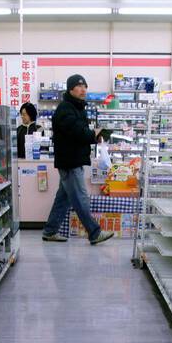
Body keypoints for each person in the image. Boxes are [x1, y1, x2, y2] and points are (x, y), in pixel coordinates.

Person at [42, 74, 114, 245]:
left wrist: (93, 135)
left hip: (72, 159)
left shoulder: (76, 107)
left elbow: (78, 133)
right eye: (79, 86)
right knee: (81, 198)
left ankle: (50, 231)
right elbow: (77, 132)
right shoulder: (66, 109)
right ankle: (94, 233)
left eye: (85, 86)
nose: (83, 90)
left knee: (64, 198)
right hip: (70, 161)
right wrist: (92, 134)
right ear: (70, 89)